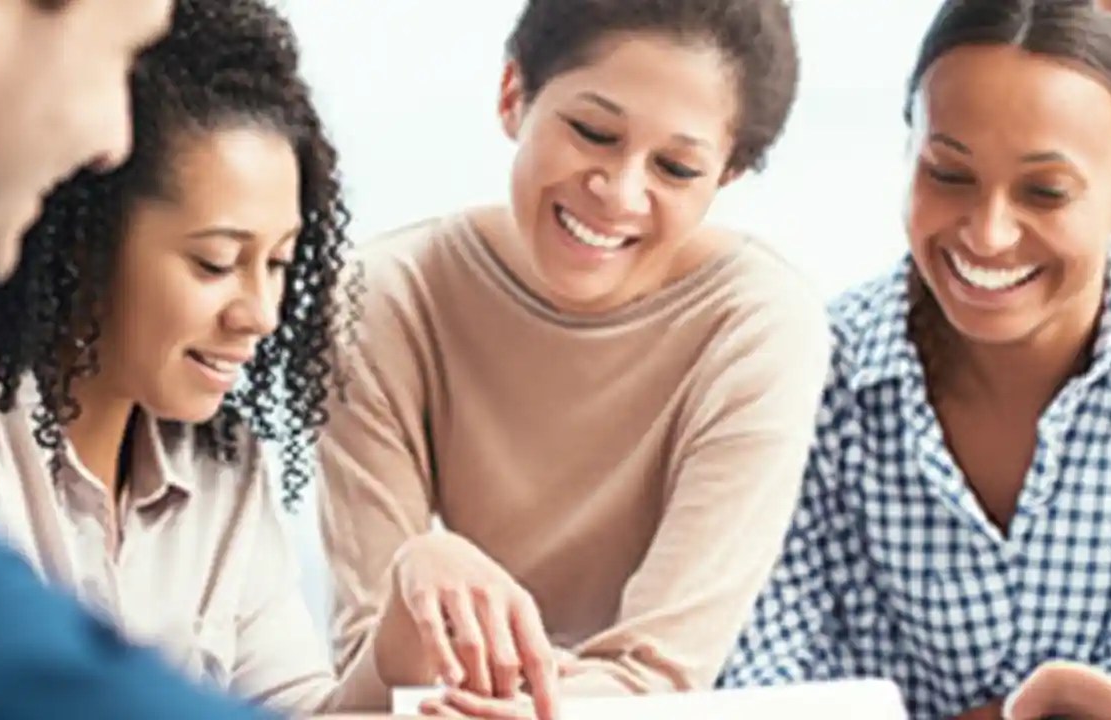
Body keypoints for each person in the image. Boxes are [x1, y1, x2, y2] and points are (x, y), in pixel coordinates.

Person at [0, 0, 440, 716]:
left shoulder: (221, 470)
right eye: (215, 263)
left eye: (279, 263)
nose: (261, 314)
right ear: (83, 238)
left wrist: (387, 665)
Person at [316, 0, 830, 716]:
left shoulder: (759, 329)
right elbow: (379, 662)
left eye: (677, 168)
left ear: (728, 176)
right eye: (592, 132)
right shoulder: (384, 299)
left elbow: (663, 671)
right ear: (512, 95)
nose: (618, 194)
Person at [719, 1, 1111, 719]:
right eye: (948, 174)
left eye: (1045, 191)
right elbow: (767, 677)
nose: (988, 234)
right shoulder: (812, 374)